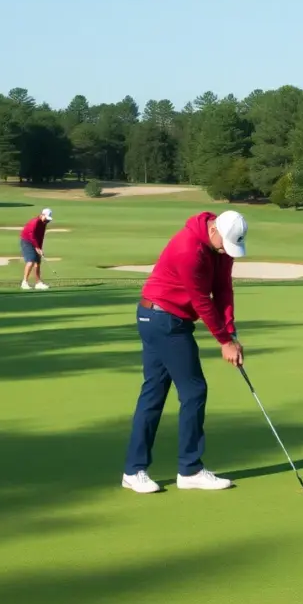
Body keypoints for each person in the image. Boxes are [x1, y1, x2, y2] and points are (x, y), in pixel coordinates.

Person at [122, 210, 248, 494]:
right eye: (223, 245)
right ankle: (189, 469)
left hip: (160, 318)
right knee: (193, 391)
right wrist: (223, 341)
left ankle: (133, 470)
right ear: (213, 230)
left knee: (153, 393)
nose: (224, 250)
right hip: (164, 319)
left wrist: (231, 332)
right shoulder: (187, 249)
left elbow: (223, 289)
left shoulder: (222, 243)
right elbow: (202, 301)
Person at [19, 207, 53, 290]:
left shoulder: (43, 224)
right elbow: (32, 236)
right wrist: (37, 247)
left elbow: (41, 237)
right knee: (30, 261)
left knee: (37, 262)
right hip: (27, 241)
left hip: (35, 242)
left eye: (48, 220)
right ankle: (24, 282)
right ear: (42, 215)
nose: (47, 221)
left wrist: (40, 249)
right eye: (46, 219)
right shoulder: (35, 222)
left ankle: (38, 283)